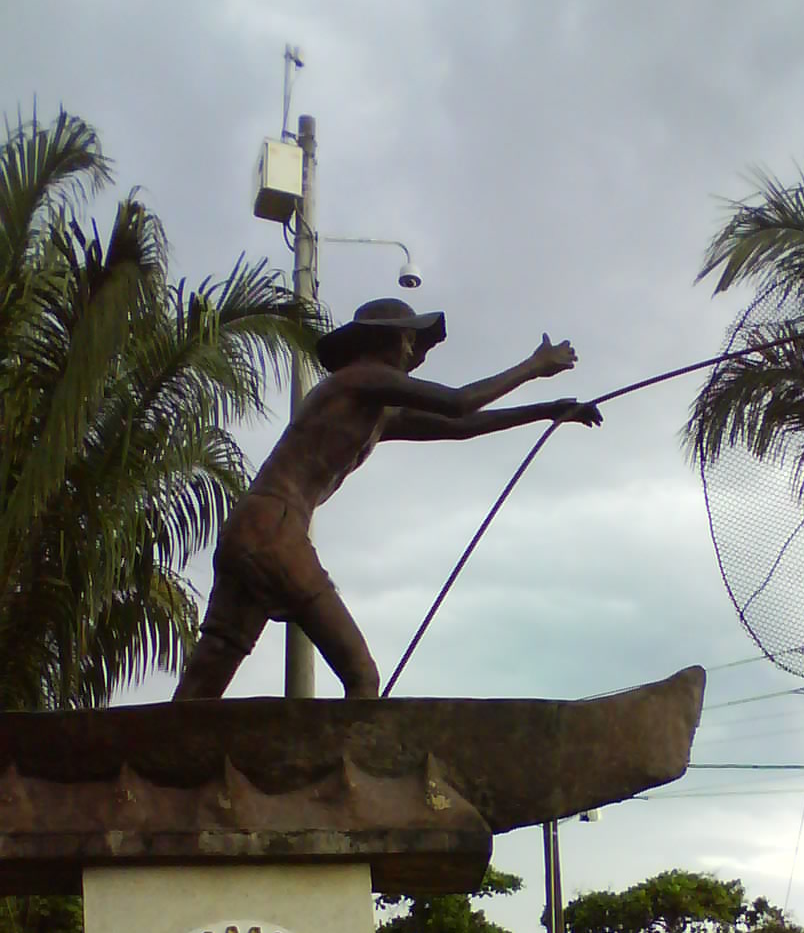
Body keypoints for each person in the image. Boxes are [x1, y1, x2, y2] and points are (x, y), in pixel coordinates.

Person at [173, 298, 602, 700]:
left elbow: (462, 425)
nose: (414, 350)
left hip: (252, 529)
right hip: (274, 529)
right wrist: (534, 366)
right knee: (362, 676)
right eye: (408, 339)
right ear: (381, 342)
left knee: (206, 678)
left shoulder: (373, 410)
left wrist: (547, 411)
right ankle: (339, 774)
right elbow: (457, 402)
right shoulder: (361, 378)